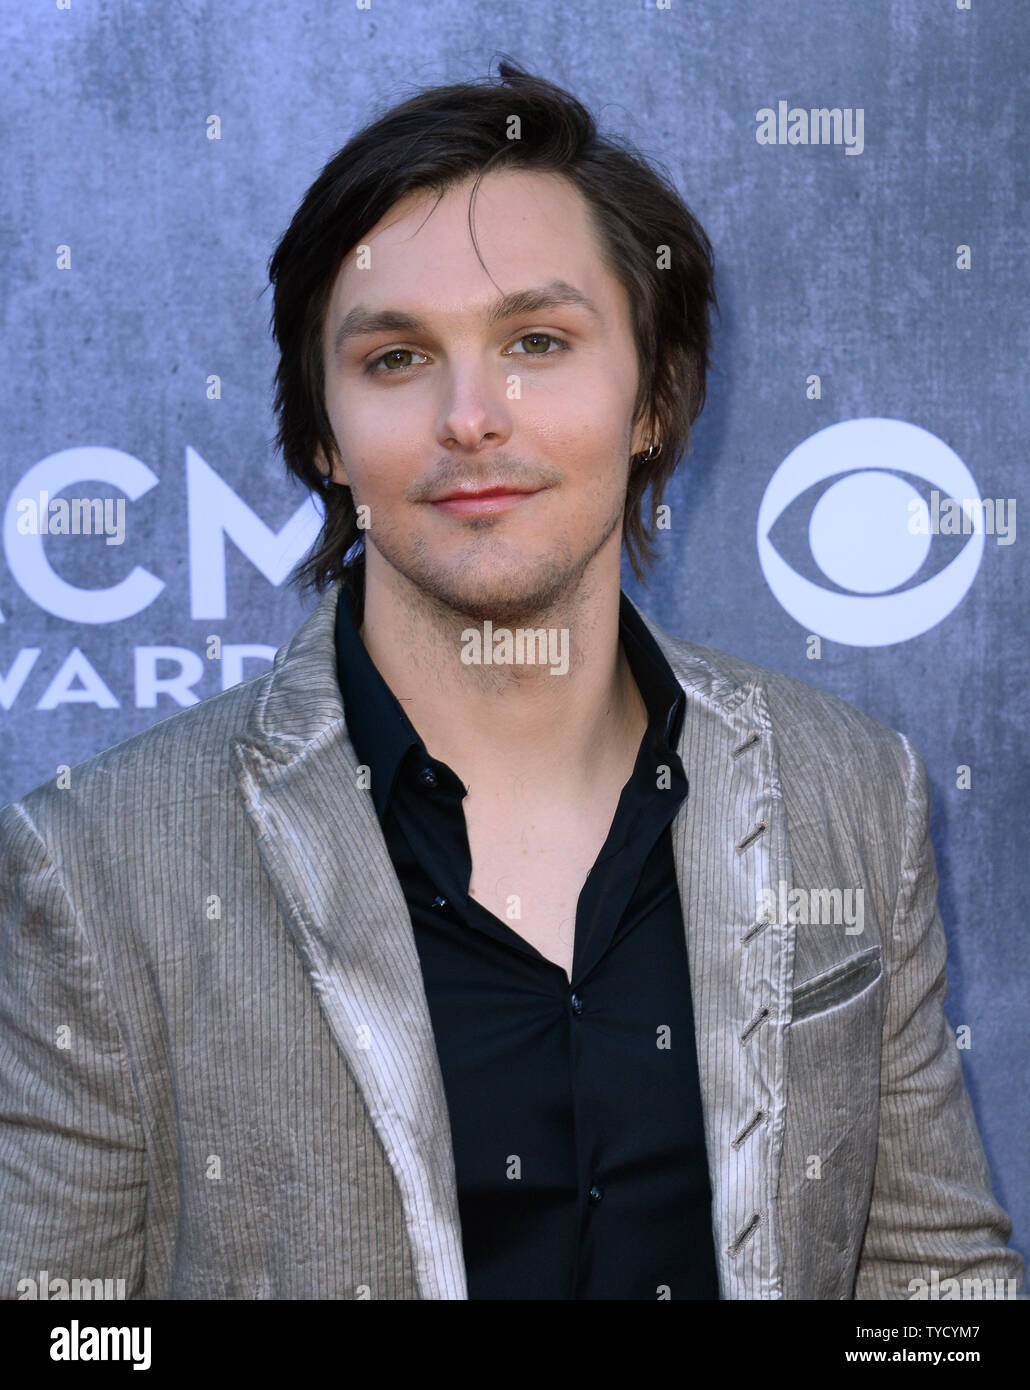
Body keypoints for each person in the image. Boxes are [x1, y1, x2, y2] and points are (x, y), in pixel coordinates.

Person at [0, 61, 1022, 1301]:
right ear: (322, 434)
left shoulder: (848, 789)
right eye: (395, 358)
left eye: (538, 341)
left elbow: (932, 1287)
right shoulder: (102, 864)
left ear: (652, 394)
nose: (472, 415)